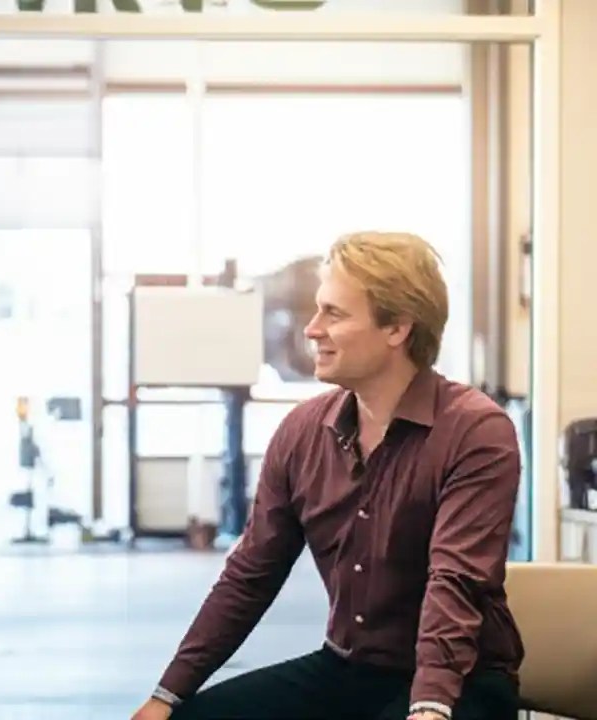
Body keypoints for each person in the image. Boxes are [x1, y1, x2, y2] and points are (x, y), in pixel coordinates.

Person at [131, 231, 524, 720]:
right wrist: (169, 694)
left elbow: (455, 580)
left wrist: (430, 707)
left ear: (397, 327)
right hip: (347, 668)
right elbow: (251, 573)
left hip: (463, 681)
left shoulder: (476, 432)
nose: (311, 330)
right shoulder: (303, 432)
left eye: (334, 314)